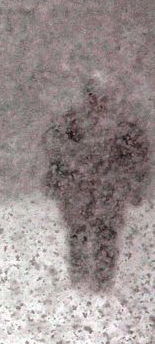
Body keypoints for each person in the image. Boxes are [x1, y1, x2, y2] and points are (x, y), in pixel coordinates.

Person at [41, 75, 149, 291]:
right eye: (95, 96)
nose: (98, 101)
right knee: (82, 234)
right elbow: (56, 152)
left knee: (103, 235)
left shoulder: (120, 126)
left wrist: (136, 183)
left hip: (104, 193)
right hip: (85, 192)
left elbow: (138, 157)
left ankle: (100, 284)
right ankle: (84, 283)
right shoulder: (76, 123)